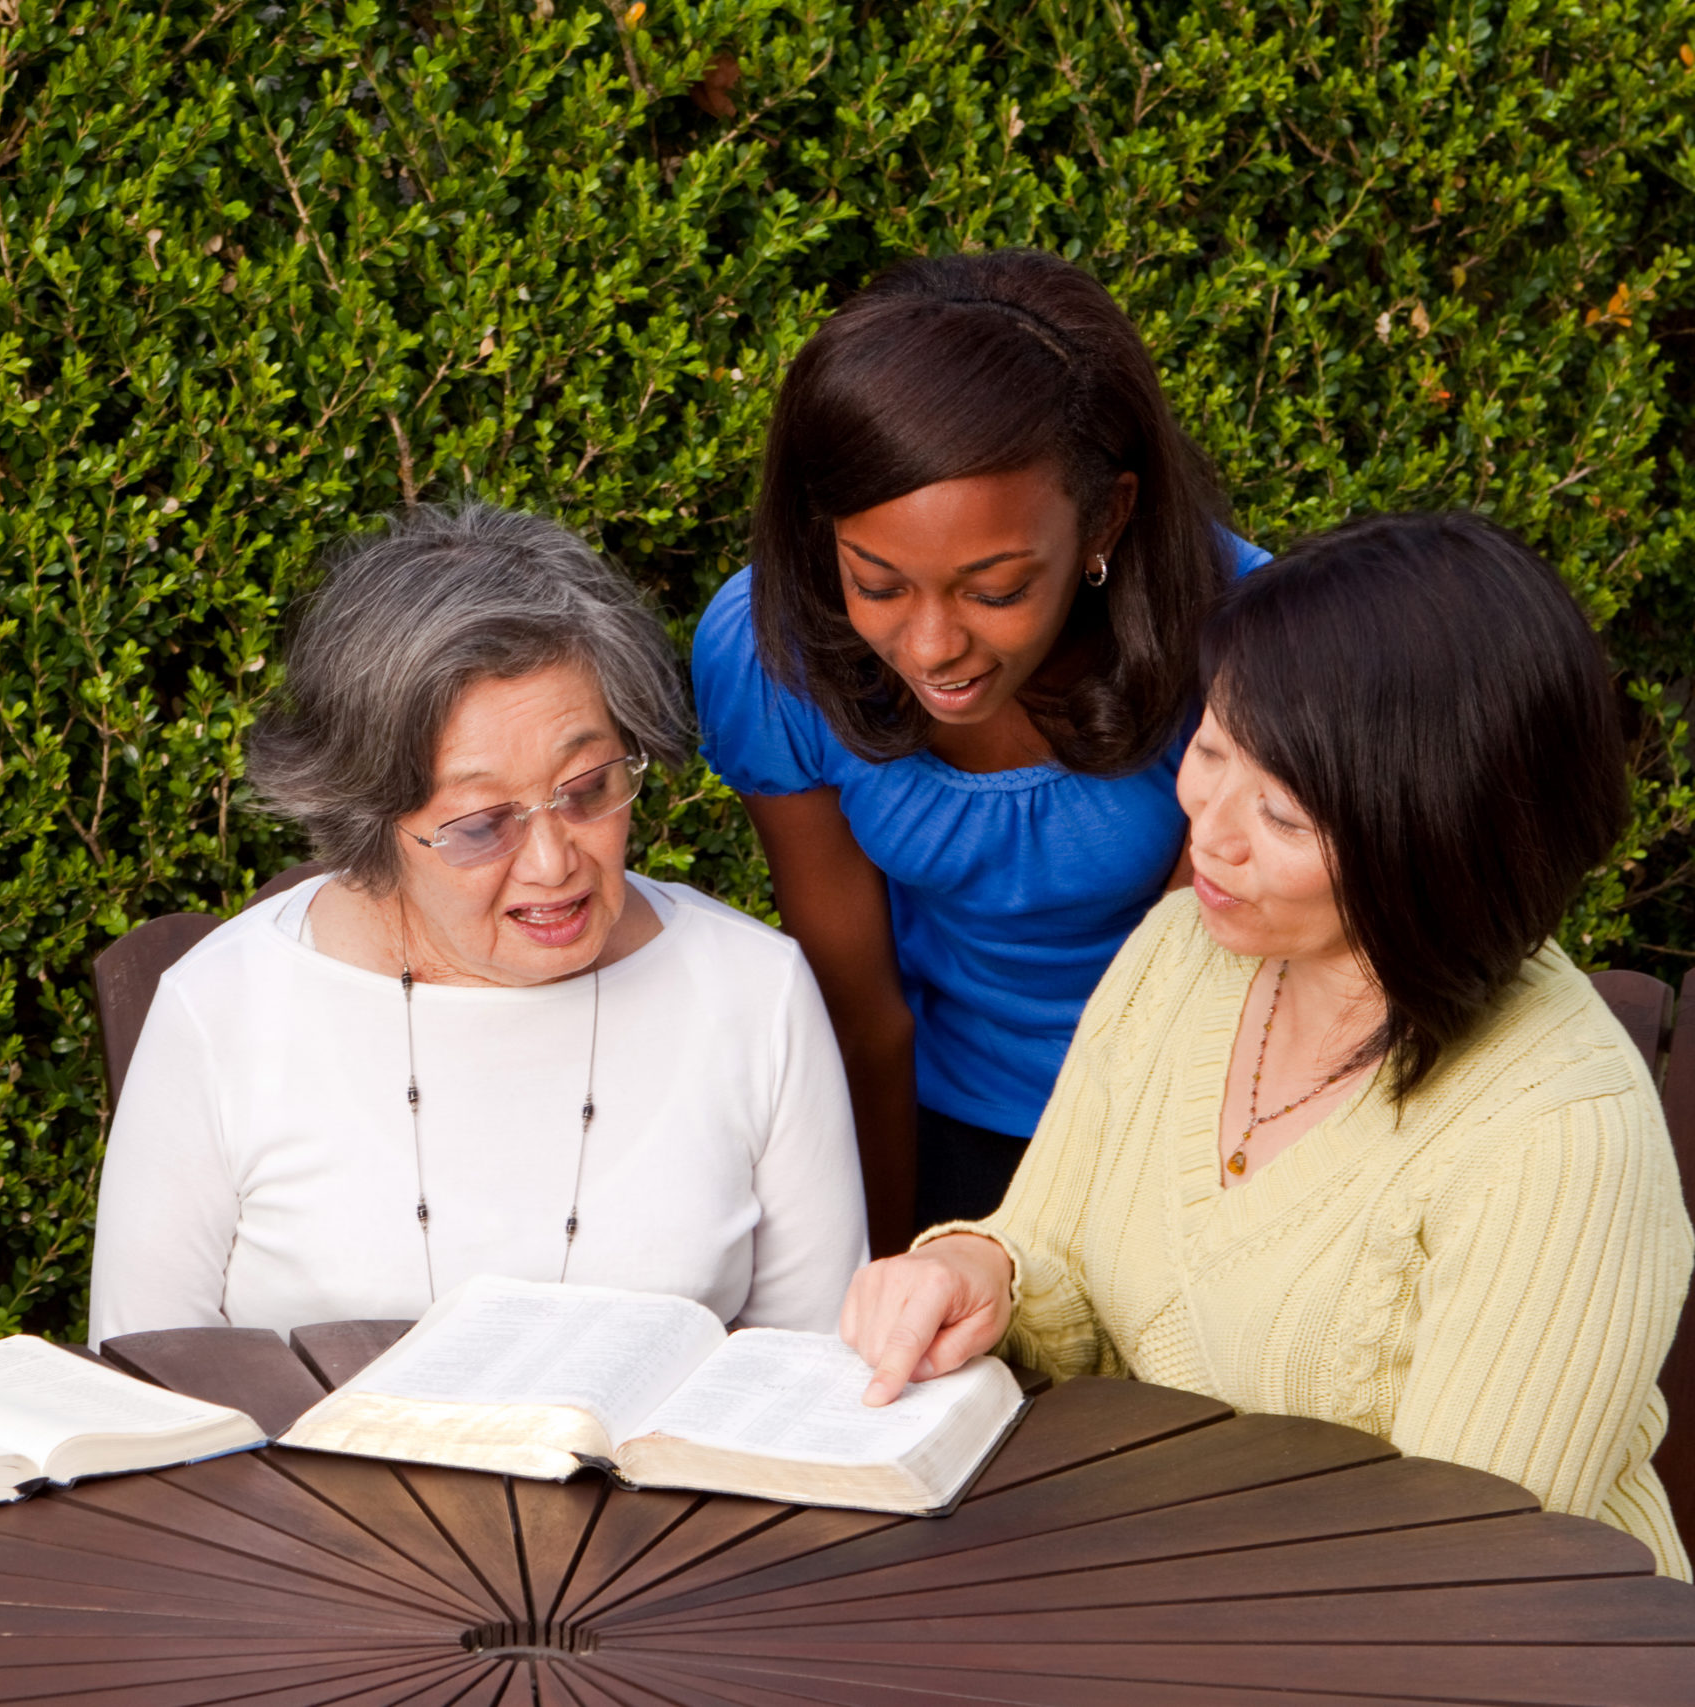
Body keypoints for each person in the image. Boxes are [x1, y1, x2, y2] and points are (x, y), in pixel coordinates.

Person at [840, 512, 1692, 1578]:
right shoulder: (1182, 950)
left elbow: (1459, 1582)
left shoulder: (1559, 1140)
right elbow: (1057, 1256)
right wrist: (980, 1270)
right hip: (1163, 1599)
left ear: (1433, 839)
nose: (1210, 829)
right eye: (1210, 751)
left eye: (1282, 815)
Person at [89, 504, 868, 1343]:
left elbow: (811, 1372)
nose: (552, 862)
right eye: (481, 823)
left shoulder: (753, 990)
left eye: (588, 789)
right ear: (369, 820)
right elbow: (149, 1385)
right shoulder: (223, 1011)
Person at [692, 249, 1271, 1253]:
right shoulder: (768, 645)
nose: (931, 648)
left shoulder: (1246, 641)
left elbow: (1193, 1013)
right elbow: (859, 1014)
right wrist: (870, 1269)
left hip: (1190, 1123)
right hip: (932, 1120)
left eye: (995, 590)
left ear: (1105, 520)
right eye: (876, 583)